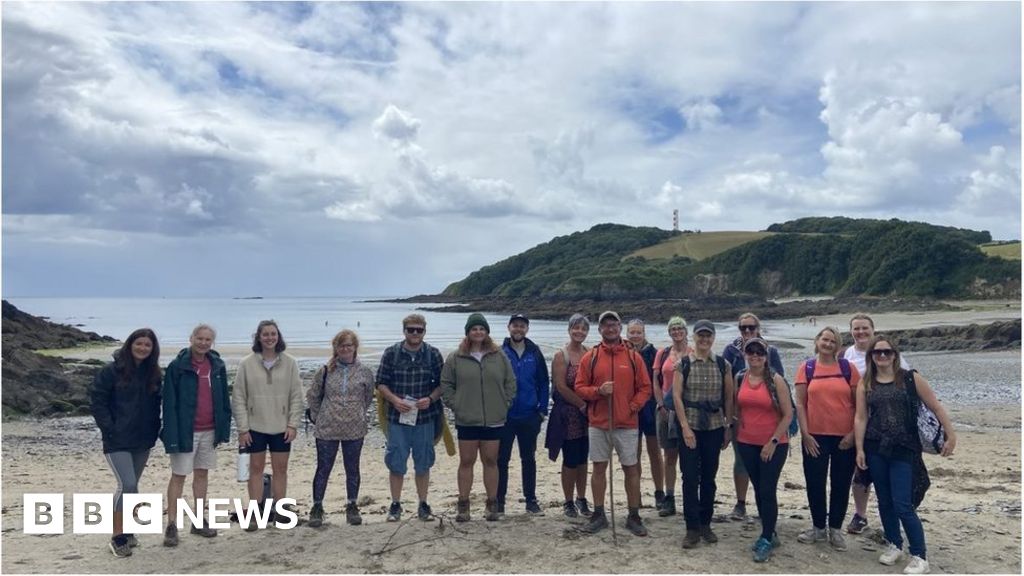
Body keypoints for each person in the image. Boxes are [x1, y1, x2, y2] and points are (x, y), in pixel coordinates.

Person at [855, 336, 956, 575]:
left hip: (905, 448)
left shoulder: (910, 378)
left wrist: (951, 435)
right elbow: (861, 417)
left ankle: (919, 555)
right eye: (877, 352)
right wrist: (859, 449)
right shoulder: (866, 382)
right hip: (875, 447)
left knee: (903, 504)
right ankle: (894, 544)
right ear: (871, 356)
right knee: (884, 500)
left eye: (886, 352)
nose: (882, 356)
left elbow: (936, 406)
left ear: (895, 354)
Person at [574, 311, 652, 537]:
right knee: (599, 468)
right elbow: (580, 387)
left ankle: (634, 515)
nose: (610, 328)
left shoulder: (633, 356)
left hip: (627, 424)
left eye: (614, 324)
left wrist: (633, 406)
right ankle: (599, 514)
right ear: (600, 329)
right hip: (599, 423)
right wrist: (598, 391)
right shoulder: (591, 357)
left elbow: (645, 388)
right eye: (605, 325)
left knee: (631, 468)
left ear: (620, 327)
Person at [91, 328, 163, 557]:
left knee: (133, 486)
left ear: (153, 349)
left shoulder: (153, 374)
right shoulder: (111, 371)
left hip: (143, 439)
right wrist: (109, 428)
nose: (142, 348)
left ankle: (129, 531)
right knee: (127, 484)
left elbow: (157, 404)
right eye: (139, 343)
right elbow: (97, 401)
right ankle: (117, 536)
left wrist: (155, 429)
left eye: (147, 345)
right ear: (130, 344)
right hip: (117, 439)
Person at [441, 313, 517, 522]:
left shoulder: (499, 355)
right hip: (467, 419)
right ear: (468, 332)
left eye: (481, 329)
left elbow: (510, 382)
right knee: (466, 461)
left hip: (494, 419)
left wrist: (504, 404)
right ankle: (463, 505)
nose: (478, 332)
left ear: (487, 332)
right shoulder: (456, 357)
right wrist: (456, 405)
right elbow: (446, 384)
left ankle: (492, 504)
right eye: (474, 329)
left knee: (491, 461)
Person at [161, 324, 231, 547]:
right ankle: (172, 525)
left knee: (202, 475)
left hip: (209, 431)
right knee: (179, 476)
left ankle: (198, 520)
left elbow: (224, 400)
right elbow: (168, 402)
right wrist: (171, 434)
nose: (203, 343)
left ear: (212, 342)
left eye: (207, 339)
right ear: (191, 339)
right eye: (199, 338)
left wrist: (223, 428)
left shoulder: (217, 366)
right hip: (185, 431)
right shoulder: (177, 367)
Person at [843, 313, 911, 535]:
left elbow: (907, 385)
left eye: (865, 328)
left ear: (873, 330)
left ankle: (895, 519)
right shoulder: (846, 355)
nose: (861, 332)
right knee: (860, 473)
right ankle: (860, 515)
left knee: (892, 475)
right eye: (856, 328)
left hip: (888, 425)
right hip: (857, 420)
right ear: (851, 332)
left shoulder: (887, 354)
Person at [795, 326, 861, 551]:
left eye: (833, 341)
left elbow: (860, 406)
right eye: (825, 339)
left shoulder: (848, 368)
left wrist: (852, 434)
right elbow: (800, 404)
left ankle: (835, 529)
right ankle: (818, 528)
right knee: (815, 483)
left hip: (844, 438)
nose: (828, 344)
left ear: (838, 346)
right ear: (817, 341)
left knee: (841, 484)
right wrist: (805, 434)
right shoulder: (807, 368)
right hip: (815, 436)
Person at [233, 320, 304, 530]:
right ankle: (255, 514)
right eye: (265, 334)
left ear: (278, 336)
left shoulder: (290, 363)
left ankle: (281, 513)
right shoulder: (246, 364)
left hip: (282, 428)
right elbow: (239, 397)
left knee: (281, 470)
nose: (270, 338)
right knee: (255, 469)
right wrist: (243, 429)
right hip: (254, 427)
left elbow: (296, 396)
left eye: (273, 334)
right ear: (259, 337)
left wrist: (293, 424)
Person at [376, 313, 445, 522]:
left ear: (425, 331)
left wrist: (430, 399)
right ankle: (395, 504)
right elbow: (380, 383)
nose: (415, 333)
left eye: (419, 330)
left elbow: (442, 384)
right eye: (411, 329)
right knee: (396, 462)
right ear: (404, 331)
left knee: (423, 463)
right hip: (397, 419)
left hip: (425, 419)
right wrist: (395, 400)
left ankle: (423, 504)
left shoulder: (433, 354)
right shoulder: (391, 353)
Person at [672, 319, 735, 548]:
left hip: (714, 426)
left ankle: (706, 523)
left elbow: (728, 397)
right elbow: (677, 396)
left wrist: (728, 426)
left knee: (709, 478)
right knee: (689, 477)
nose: (704, 339)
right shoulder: (683, 364)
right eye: (701, 335)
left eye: (708, 335)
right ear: (694, 337)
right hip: (690, 425)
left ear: (713, 338)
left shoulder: (723, 364)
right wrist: (685, 427)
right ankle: (692, 528)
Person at [306, 329, 375, 527]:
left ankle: (352, 505)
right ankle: (317, 507)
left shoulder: (365, 372)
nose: (345, 349)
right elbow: (313, 395)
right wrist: (318, 417)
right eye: (341, 345)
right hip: (327, 428)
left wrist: (357, 412)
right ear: (336, 348)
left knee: (352, 468)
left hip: (354, 428)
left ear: (355, 347)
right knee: (323, 468)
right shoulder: (325, 371)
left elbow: (368, 396)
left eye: (349, 345)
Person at [734, 337, 794, 563]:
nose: (755, 356)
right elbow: (736, 409)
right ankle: (770, 531)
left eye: (759, 352)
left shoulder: (776, 380)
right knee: (759, 488)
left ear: (766, 356)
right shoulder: (740, 377)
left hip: (774, 443)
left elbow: (788, 415)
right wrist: (732, 432)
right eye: (751, 352)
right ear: (745, 355)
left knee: (767, 489)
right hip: (746, 442)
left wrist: (773, 442)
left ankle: (767, 537)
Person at [721, 312, 785, 522]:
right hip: (742, 418)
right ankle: (740, 504)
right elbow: (725, 384)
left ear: (758, 328)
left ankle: (765, 508)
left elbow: (781, 380)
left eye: (751, 327)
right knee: (741, 462)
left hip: (768, 417)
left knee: (766, 469)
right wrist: (728, 421)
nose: (747, 331)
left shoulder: (770, 351)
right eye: (743, 327)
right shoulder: (731, 351)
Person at [498, 314, 550, 515]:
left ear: (527, 329)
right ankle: (499, 501)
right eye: (515, 325)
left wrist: (542, 410)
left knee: (528, 459)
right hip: (506, 416)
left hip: (529, 415)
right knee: (502, 460)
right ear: (509, 327)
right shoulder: (500, 352)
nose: (518, 329)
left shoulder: (534, 352)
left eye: (522, 326)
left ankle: (531, 500)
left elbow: (544, 382)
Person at [544, 313, 593, 518]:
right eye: (576, 328)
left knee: (583, 458)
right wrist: (581, 405)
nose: (579, 331)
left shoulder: (589, 353)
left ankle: (582, 498)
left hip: (588, 415)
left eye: (583, 328)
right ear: (569, 330)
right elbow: (561, 387)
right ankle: (568, 501)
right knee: (570, 459)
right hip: (569, 414)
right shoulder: (561, 356)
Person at [652, 316, 692, 517]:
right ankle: (669, 497)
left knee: (690, 456)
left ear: (686, 331)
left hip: (689, 410)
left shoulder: (694, 353)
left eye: (680, 328)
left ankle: (691, 498)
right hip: (667, 410)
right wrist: (660, 404)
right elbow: (656, 381)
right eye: (673, 329)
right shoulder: (662, 354)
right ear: (669, 332)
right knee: (669, 455)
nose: (677, 332)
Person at [626, 319, 665, 510]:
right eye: (632, 332)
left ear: (644, 333)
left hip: (650, 407)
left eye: (638, 332)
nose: (635, 336)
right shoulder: (623, 352)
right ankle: (636, 494)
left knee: (655, 451)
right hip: (630, 408)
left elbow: (661, 381)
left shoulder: (654, 353)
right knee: (634, 454)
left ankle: (659, 492)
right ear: (627, 334)